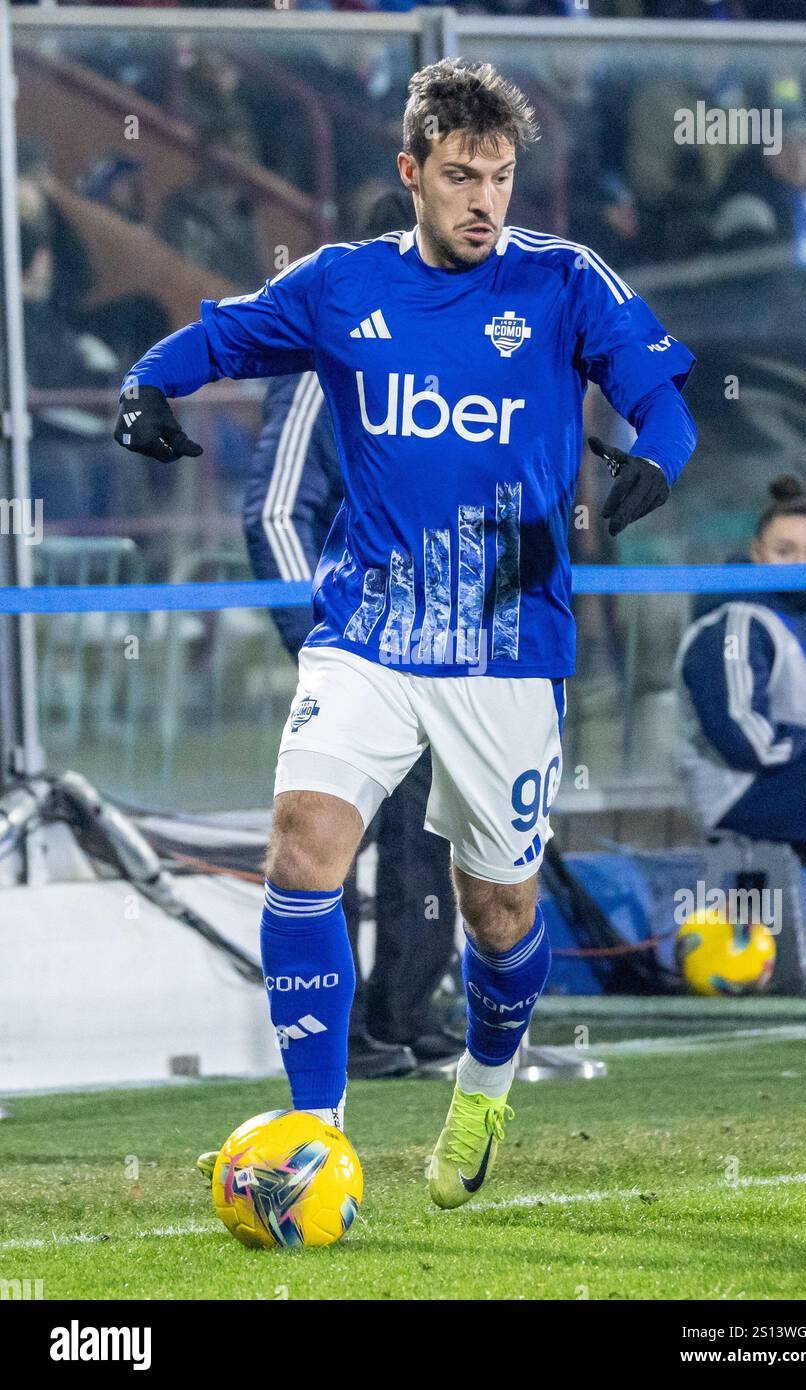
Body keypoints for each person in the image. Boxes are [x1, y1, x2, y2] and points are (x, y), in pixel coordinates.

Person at [114, 59, 696, 1208]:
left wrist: (655, 462)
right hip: (368, 631)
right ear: (410, 174)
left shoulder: (563, 281)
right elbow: (226, 337)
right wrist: (146, 382)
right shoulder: (339, 286)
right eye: (461, 176)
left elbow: (662, 392)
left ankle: (482, 1084)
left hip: (505, 645)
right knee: (302, 848)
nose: (485, 199)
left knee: (499, 910)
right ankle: (315, 1134)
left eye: (502, 177)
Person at [244, 195, 462, 1076]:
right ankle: (327, 1037)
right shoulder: (320, 363)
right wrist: (323, 636)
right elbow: (271, 508)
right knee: (328, 838)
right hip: (352, 641)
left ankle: (400, 1018)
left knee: (430, 830)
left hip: (446, 643)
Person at [676, 475, 806, 969]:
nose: (801, 565)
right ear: (757, 553)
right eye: (786, 550)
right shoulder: (735, 623)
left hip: (796, 775)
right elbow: (746, 743)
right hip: (738, 788)